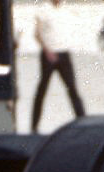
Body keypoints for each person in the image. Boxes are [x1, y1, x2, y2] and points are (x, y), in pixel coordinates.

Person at [29, 0, 87, 131]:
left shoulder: (65, 8)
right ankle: (34, 126)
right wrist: (47, 50)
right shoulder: (43, 9)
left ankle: (84, 122)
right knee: (42, 90)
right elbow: (37, 34)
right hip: (49, 54)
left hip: (64, 53)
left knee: (72, 88)